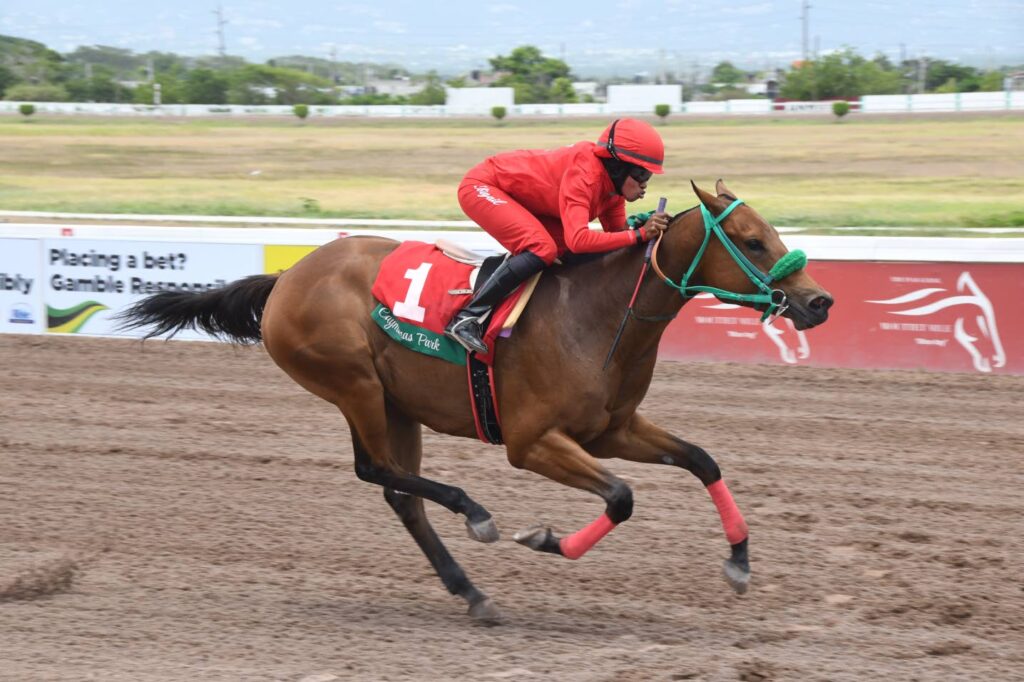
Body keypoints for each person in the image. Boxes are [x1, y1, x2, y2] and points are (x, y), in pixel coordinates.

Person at [444, 117, 670, 355]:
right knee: (542, 248)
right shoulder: (585, 176)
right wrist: (639, 234)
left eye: (648, 177)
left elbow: (619, 238)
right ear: (619, 167)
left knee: (561, 251)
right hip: (483, 186)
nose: (644, 184)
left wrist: (640, 227)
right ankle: (466, 317)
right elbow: (579, 239)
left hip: (520, 197)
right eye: (640, 174)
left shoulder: (613, 193)